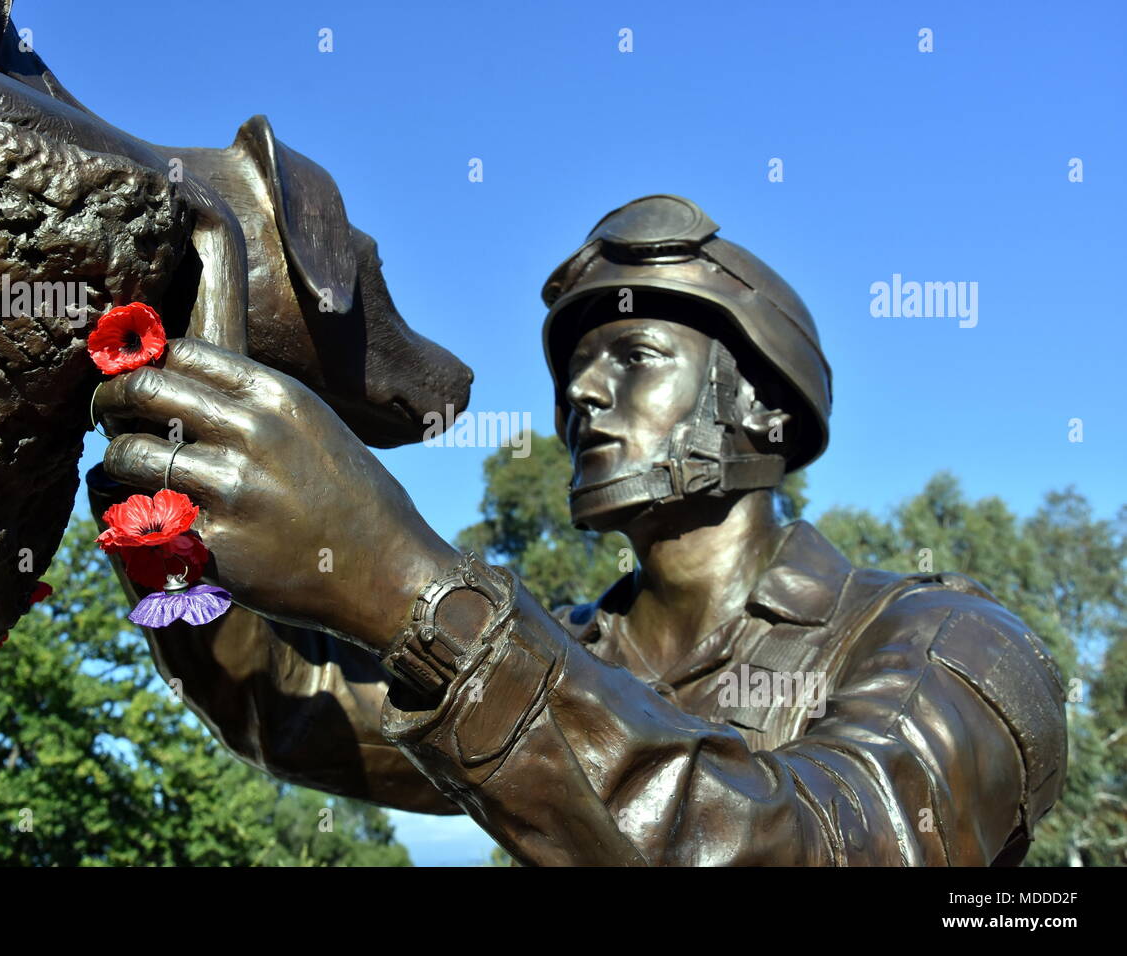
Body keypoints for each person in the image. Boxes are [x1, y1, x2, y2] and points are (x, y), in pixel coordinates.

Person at [89, 195, 1067, 865]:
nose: (583, 396)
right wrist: (169, 546)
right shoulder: (575, 651)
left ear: (762, 408)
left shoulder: (950, 641)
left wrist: (411, 584)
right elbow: (296, 707)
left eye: (635, 356)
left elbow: (823, 842)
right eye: (573, 374)